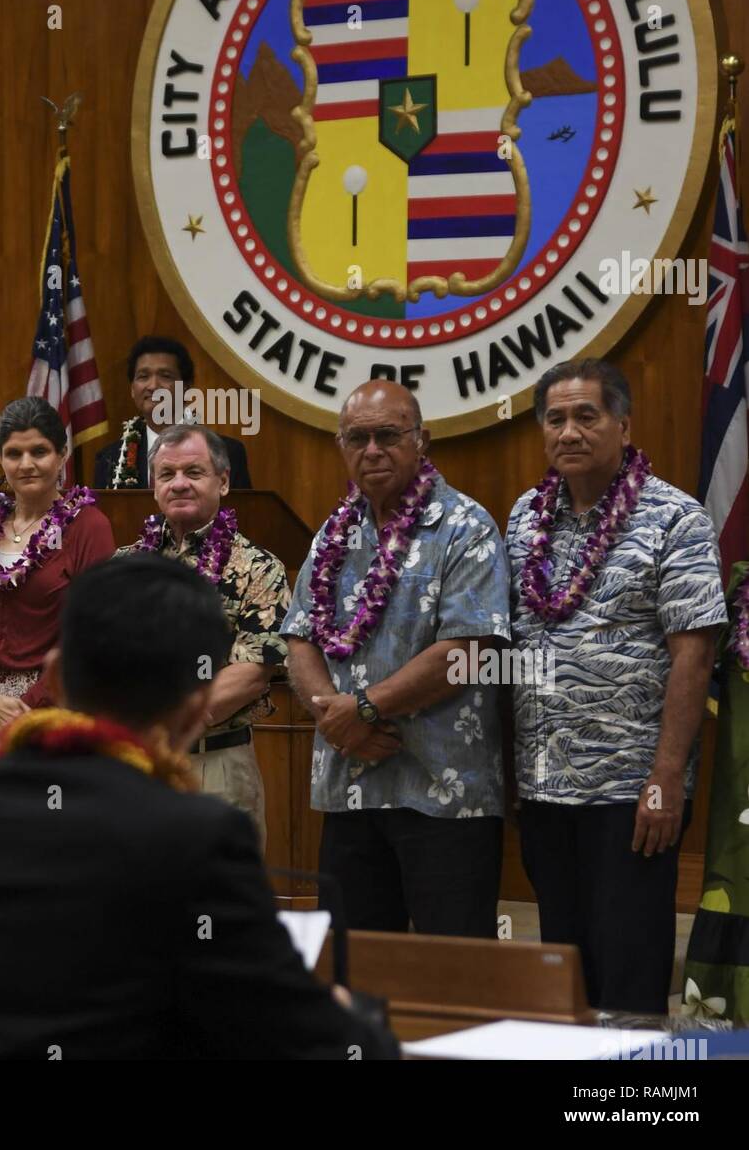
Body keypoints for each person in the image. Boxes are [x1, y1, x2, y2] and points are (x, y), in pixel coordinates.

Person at [0, 554, 397, 1059]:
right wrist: (358, 1020)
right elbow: (305, 1043)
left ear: (55, 677)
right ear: (195, 711)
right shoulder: (195, 841)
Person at [506, 359, 727, 1015]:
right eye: (555, 418)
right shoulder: (524, 518)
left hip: (632, 792)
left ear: (623, 426)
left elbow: (693, 653)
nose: (569, 431)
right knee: (565, 973)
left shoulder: (673, 519)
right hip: (544, 786)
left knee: (628, 969)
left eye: (587, 415)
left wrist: (666, 776)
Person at [282, 380, 511, 938]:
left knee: (452, 973)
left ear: (421, 441)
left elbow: (470, 650)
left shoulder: (466, 526)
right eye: (357, 438)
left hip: (444, 793)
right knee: (353, 962)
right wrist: (335, 720)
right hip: (350, 784)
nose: (372, 450)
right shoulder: (334, 533)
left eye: (388, 435)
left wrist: (359, 710)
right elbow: (299, 639)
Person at [115, 425, 288, 844]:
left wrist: (164, 721)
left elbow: (252, 673)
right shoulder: (120, 568)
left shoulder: (260, 569)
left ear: (223, 481)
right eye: (167, 474)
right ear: (153, 485)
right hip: (131, 766)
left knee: (218, 904)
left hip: (217, 765)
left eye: (194, 472)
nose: (179, 484)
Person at [0, 395, 115, 771]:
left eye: (40, 451)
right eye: (14, 453)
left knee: (48, 826)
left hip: (55, 712)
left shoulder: (88, 528)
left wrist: (21, 718)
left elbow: (93, 642)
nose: (27, 464)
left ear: (62, 454)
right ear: (0, 457)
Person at [92, 335, 252, 488]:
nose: (153, 386)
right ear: (133, 390)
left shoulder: (228, 453)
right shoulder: (110, 459)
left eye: (166, 376)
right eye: (143, 376)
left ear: (187, 387)